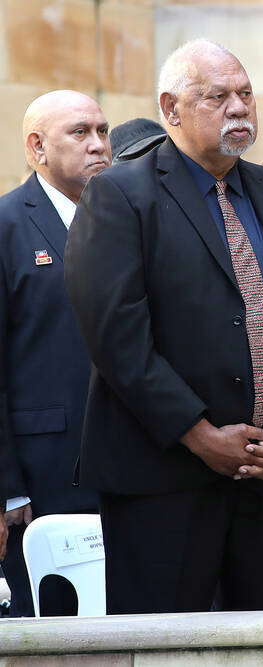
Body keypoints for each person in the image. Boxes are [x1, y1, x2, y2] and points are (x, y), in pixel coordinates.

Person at [64, 39, 263, 614]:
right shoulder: (121, 195)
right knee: (166, 646)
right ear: (171, 108)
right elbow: (118, 338)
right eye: (217, 96)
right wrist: (199, 434)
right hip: (163, 481)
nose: (239, 108)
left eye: (245, 94)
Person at [0, 90, 109, 616]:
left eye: (103, 132)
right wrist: (7, 487)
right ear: (37, 147)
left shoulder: (129, 220)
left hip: (129, 471)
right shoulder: (6, 226)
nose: (99, 146)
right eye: (80, 132)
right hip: (41, 480)